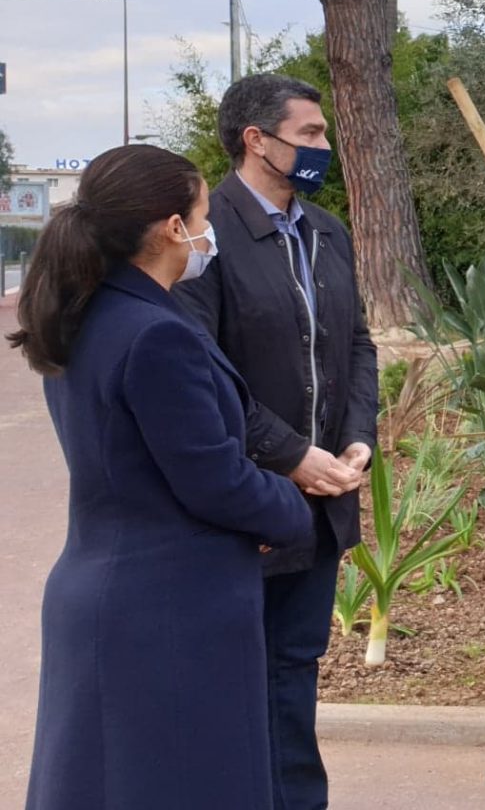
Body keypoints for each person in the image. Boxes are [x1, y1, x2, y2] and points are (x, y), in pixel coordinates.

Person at [10, 145, 313, 810]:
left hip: (113, 594)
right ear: (173, 227)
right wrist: (291, 509)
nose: (211, 232)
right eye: (204, 213)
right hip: (170, 609)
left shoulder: (89, 314)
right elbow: (214, 479)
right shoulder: (154, 333)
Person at [175, 73, 380, 810]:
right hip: (248, 503)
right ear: (256, 141)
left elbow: (357, 345)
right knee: (236, 680)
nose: (324, 148)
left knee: (294, 670)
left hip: (321, 500)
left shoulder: (328, 233)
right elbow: (203, 372)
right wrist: (290, 457)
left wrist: (357, 440)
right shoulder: (204, 238)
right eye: (312, 135)